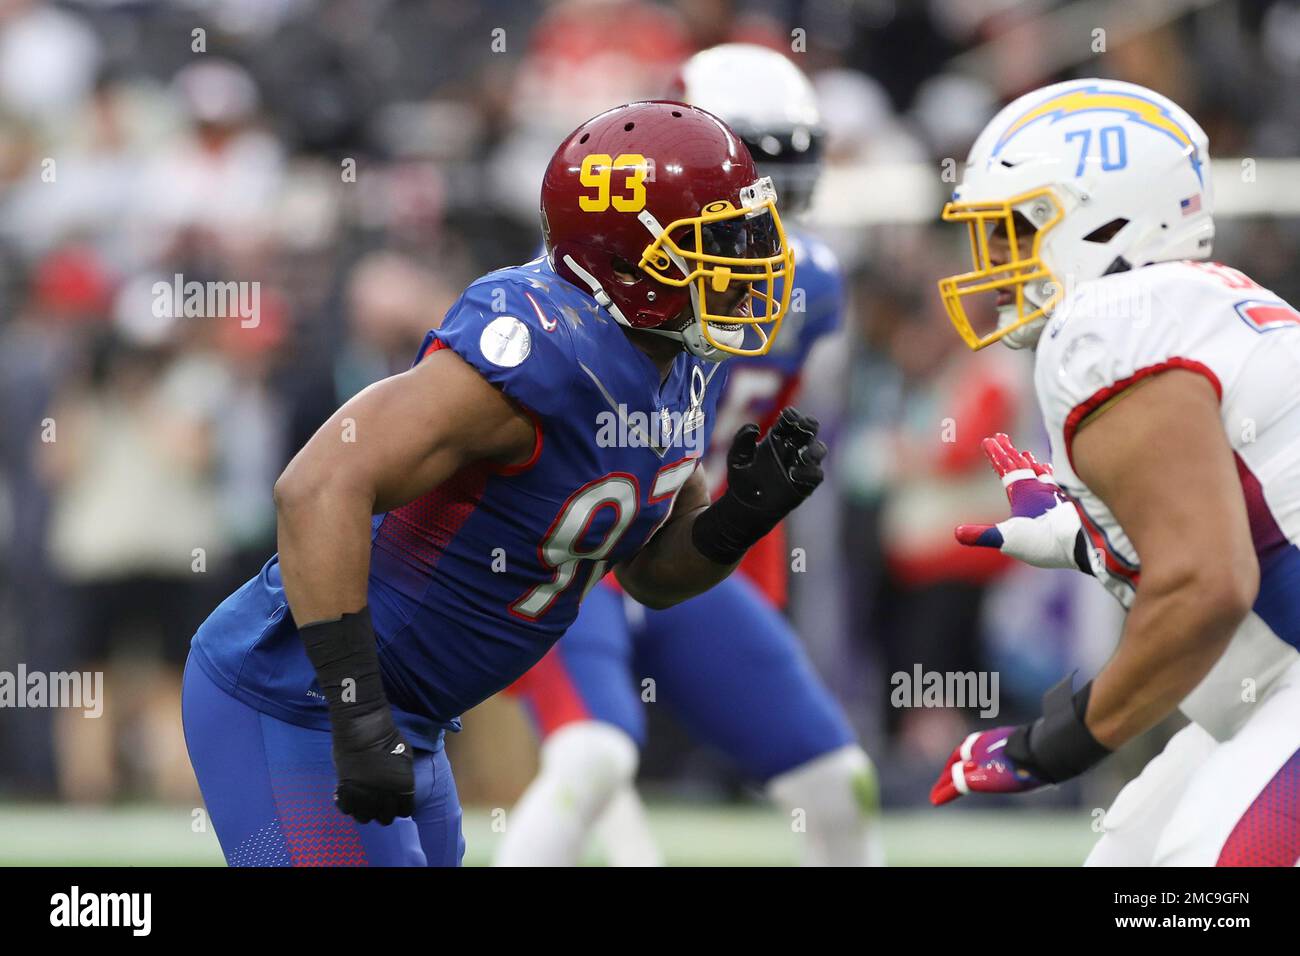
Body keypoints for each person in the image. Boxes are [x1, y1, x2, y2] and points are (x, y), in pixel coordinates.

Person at [181, 100, 826, 866]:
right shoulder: (539, 348)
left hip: (411, 716)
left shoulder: (677, 361)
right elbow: (318, 486)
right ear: (622, 254)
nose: (746, 259)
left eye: (747, 233)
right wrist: (357, 713)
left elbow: (649, 576)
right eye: (716, 240)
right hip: (298, 697)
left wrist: (734, 523)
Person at [498, 44, 880, 868]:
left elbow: (745, 452)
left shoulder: (808, 285)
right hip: (574, 541)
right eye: (751, 165)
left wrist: (742, 568)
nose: (763, 202)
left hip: (672, 524)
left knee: (838, 780)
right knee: (594, 761)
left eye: (785, 170)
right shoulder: (587, 284)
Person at [931, 79, 1300, 866]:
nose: (992, 264)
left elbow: (1209, 584)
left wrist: (1053, 744)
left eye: (1011, 231)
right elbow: (1250, 520)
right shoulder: (1198, 305)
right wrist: (1080, 532)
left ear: (1105, 217)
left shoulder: (1104, 327)